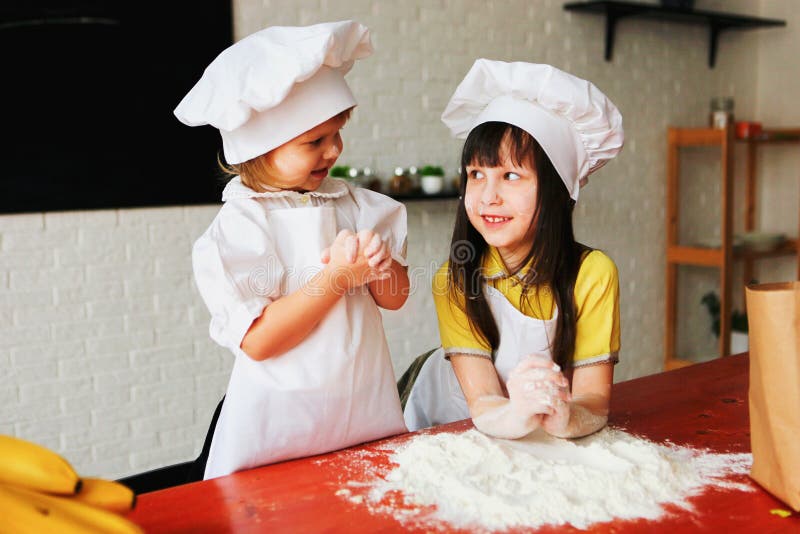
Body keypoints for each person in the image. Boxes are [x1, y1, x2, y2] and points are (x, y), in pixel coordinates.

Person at [174, 21, 409, 480]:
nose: (333, 150)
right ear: (259, 150)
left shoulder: (356, 204)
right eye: (314, 142)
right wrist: (337, 278)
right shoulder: (243, 225)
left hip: (363, 421)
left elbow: (396, 298)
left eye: (337, 133)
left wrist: (380, 265)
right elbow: (259, 341)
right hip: (277, 441)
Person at [402, 59, 624, 440]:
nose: (489, 197)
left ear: (556, 190)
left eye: (510, 175)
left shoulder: (592, 274)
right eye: (476, 175)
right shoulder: (455, 279)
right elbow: (485, 401)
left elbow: (593, 401)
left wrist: (564, 418)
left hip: (519, 425)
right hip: (444, 418)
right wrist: (519, 412)